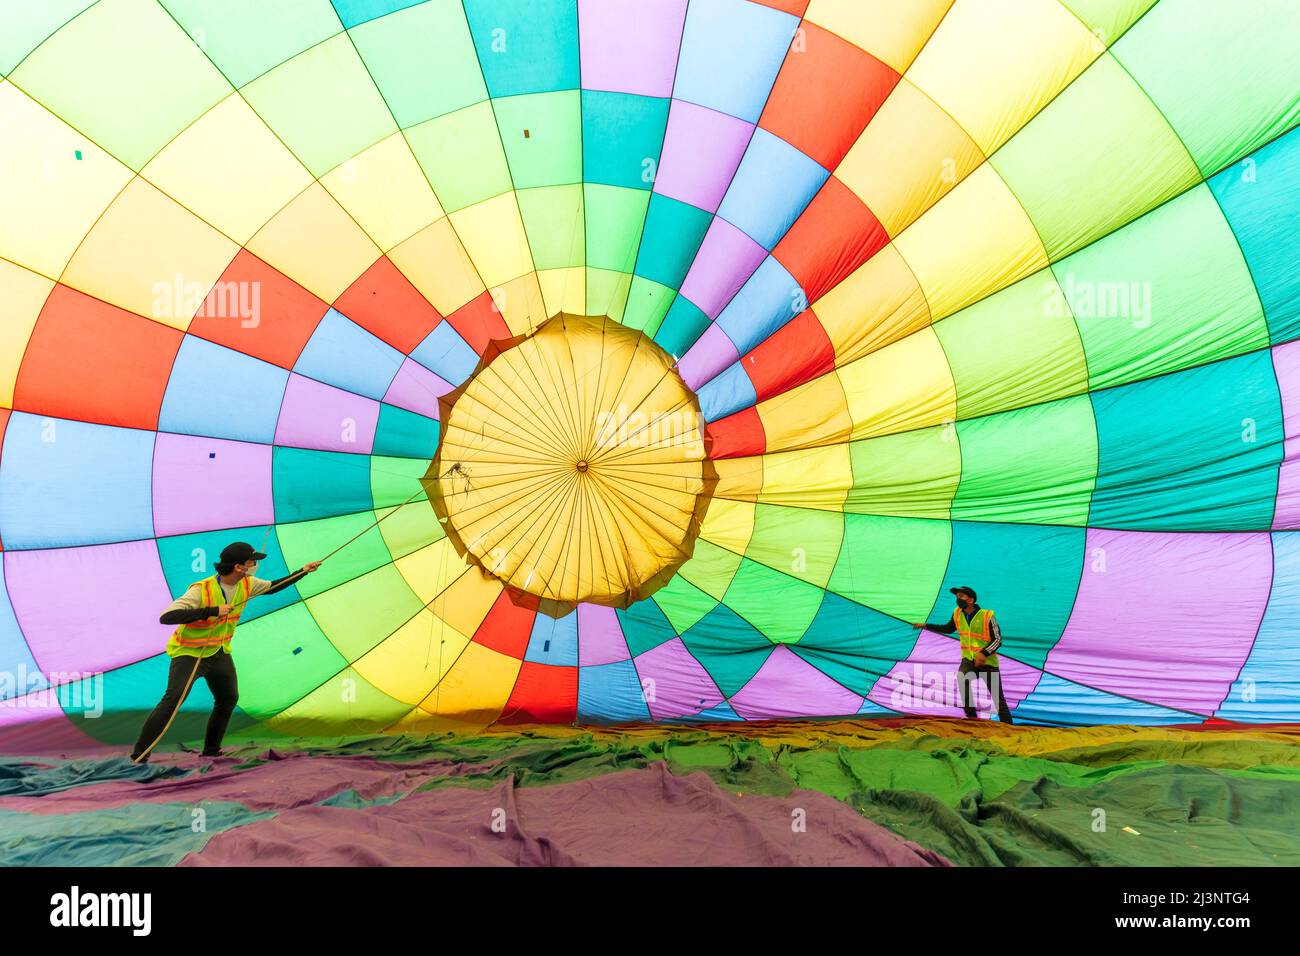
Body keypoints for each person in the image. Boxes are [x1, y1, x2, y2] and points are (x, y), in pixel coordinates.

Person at [130, 542, 321, 762]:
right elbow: (167, 617)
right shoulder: (201, 590)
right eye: (252, 561)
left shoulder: (248, 583)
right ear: (239, 567)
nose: (255, 564)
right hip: (190, 654)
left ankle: (211, 751)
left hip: (219, 652)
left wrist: (303, 572)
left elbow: (274, 586)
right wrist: (212, 611)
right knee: (172, 700)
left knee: (228, 699)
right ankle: (139, 756)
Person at [911, 586, 1014, 724]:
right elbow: (948, 628)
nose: (958, 599)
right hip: (968, 660)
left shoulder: (987, 616)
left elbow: (998, 640)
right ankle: (972, 719)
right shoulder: (957, 613)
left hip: (988, 663)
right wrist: (926, 626)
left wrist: (983, 654)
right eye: (957, 596)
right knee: (962, 679)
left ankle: (1009, 728)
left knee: (998, 699)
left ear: (971, 600)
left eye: (961, 596)